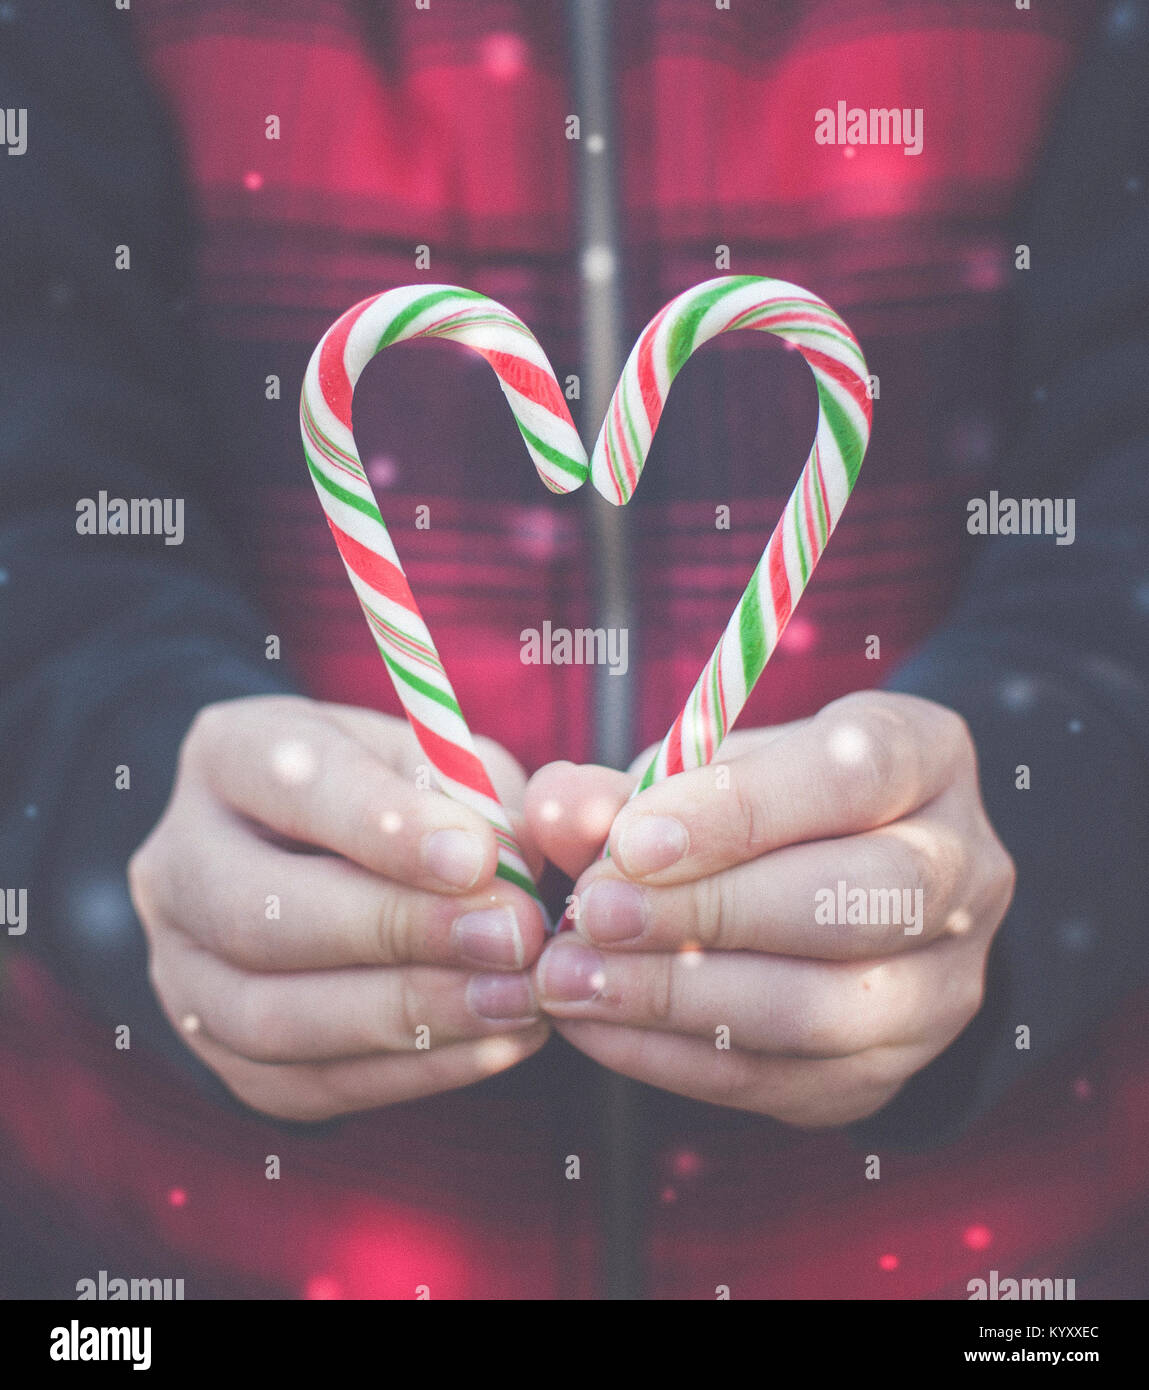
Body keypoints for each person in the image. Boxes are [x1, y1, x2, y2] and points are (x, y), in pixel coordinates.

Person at [2, 0, 1148, 1300]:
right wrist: (141, 791)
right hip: (165, 1250)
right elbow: (32, 476)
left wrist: (1018, 833)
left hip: (1004, 1258)